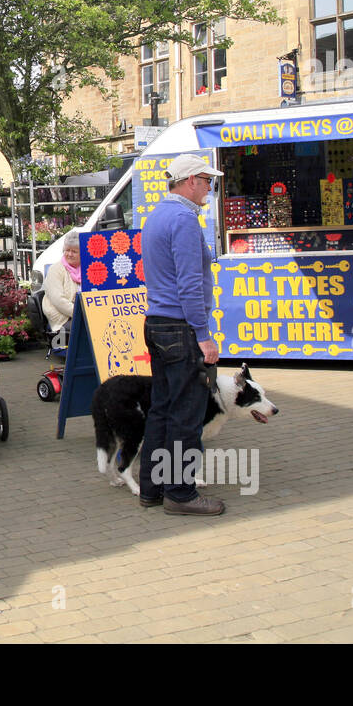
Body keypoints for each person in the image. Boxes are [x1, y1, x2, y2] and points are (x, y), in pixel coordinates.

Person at [139, 155, 226, 516]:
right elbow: (189, 282)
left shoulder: (158, 215)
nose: (209, 188)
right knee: (186, 415)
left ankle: (152, 488)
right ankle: (181, 493)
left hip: (158, 323)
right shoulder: (185, 219)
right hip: (180, 327)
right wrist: (203, 334)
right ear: (190, 180)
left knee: (162, 408)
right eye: (207, 181)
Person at [42, 232, 81, 333]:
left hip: (82, 314)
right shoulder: (55, 269)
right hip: (63, 317)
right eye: (67, 250)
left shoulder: (86, 268)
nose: (69, 254)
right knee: (90, 328)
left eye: (74, 251)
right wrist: (82, 313)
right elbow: (58, 301)